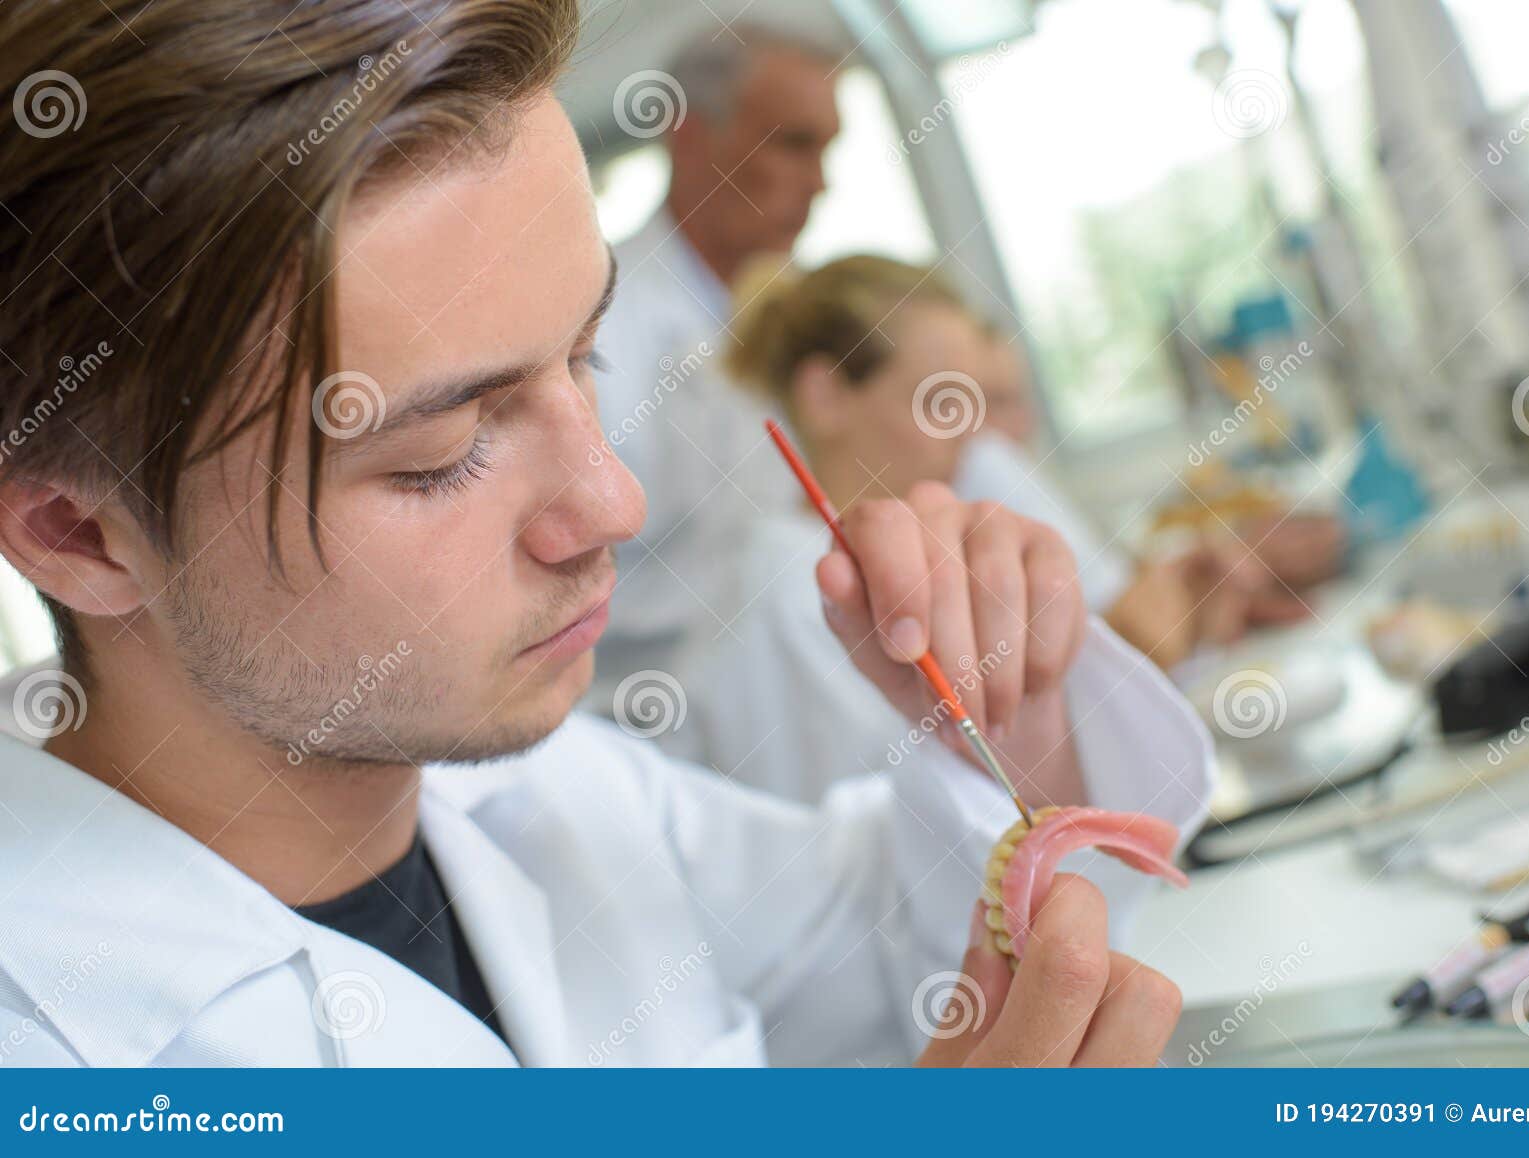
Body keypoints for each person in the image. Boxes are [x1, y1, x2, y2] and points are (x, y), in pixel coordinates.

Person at [0, 0, 1206, 1068]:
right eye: (439, 455)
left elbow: (905, 966)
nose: (613, 507)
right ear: (79, 535)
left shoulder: (559, 791)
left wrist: (1009, 695)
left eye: (586, 357)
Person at [668, 256, 1213, 944]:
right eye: (937, 401)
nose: (972, 435)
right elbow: (891, 887)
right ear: (826, 398)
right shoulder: (783, 602)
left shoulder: (916, 561)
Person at [590, 23, 842, 700]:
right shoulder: (600, 324)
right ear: (692, 137)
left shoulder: (805, 315)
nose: (822, 183)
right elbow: (595, 575)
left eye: (829, 150)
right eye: (795, 144)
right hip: (665, 714)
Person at [956, 334, 1273, 670]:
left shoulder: (1028, 489)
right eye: (996, 402)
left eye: (1021, 398)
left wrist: (1191, 587)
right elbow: (1141, 640)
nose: (1024, 422)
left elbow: (1132, 619)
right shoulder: (984, 467)